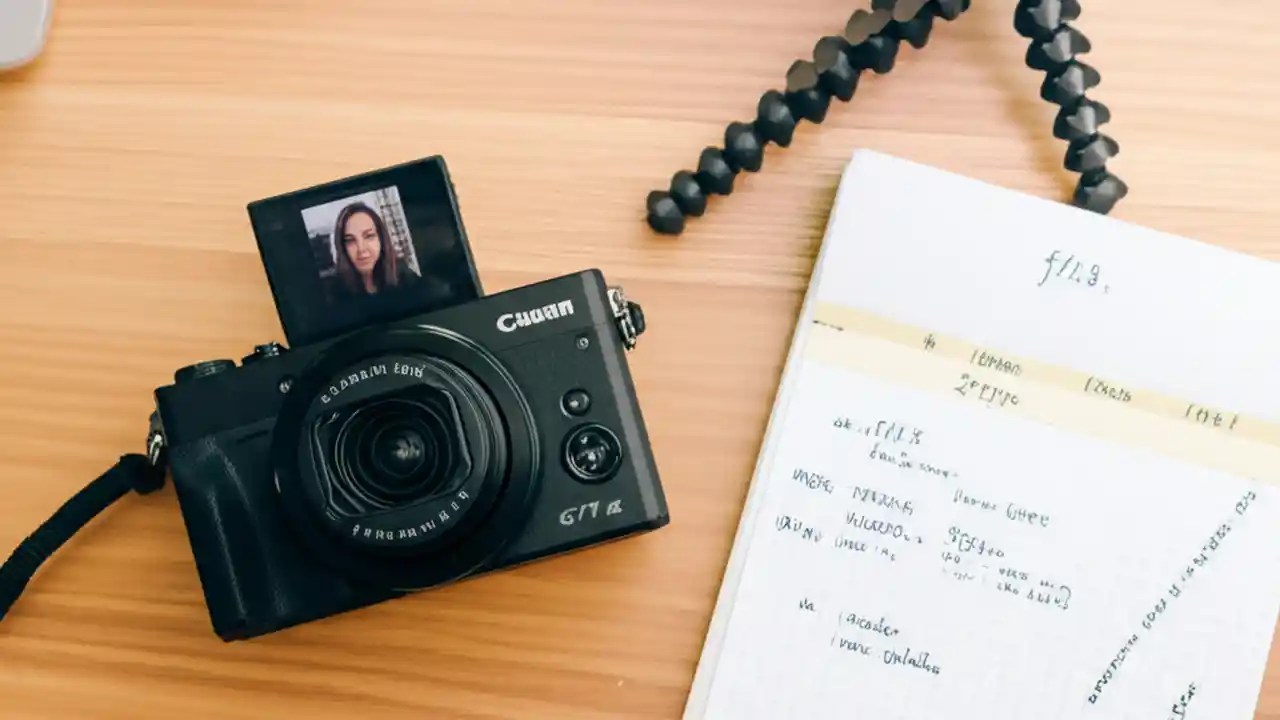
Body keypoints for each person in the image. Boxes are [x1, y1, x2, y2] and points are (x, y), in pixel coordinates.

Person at [329, 201, 419, 302]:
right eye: (350, 240)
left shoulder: (407, 280)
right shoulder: (337, 293)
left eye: (369, 236)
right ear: (342, 247)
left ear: (381, 238)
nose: (361, 249)